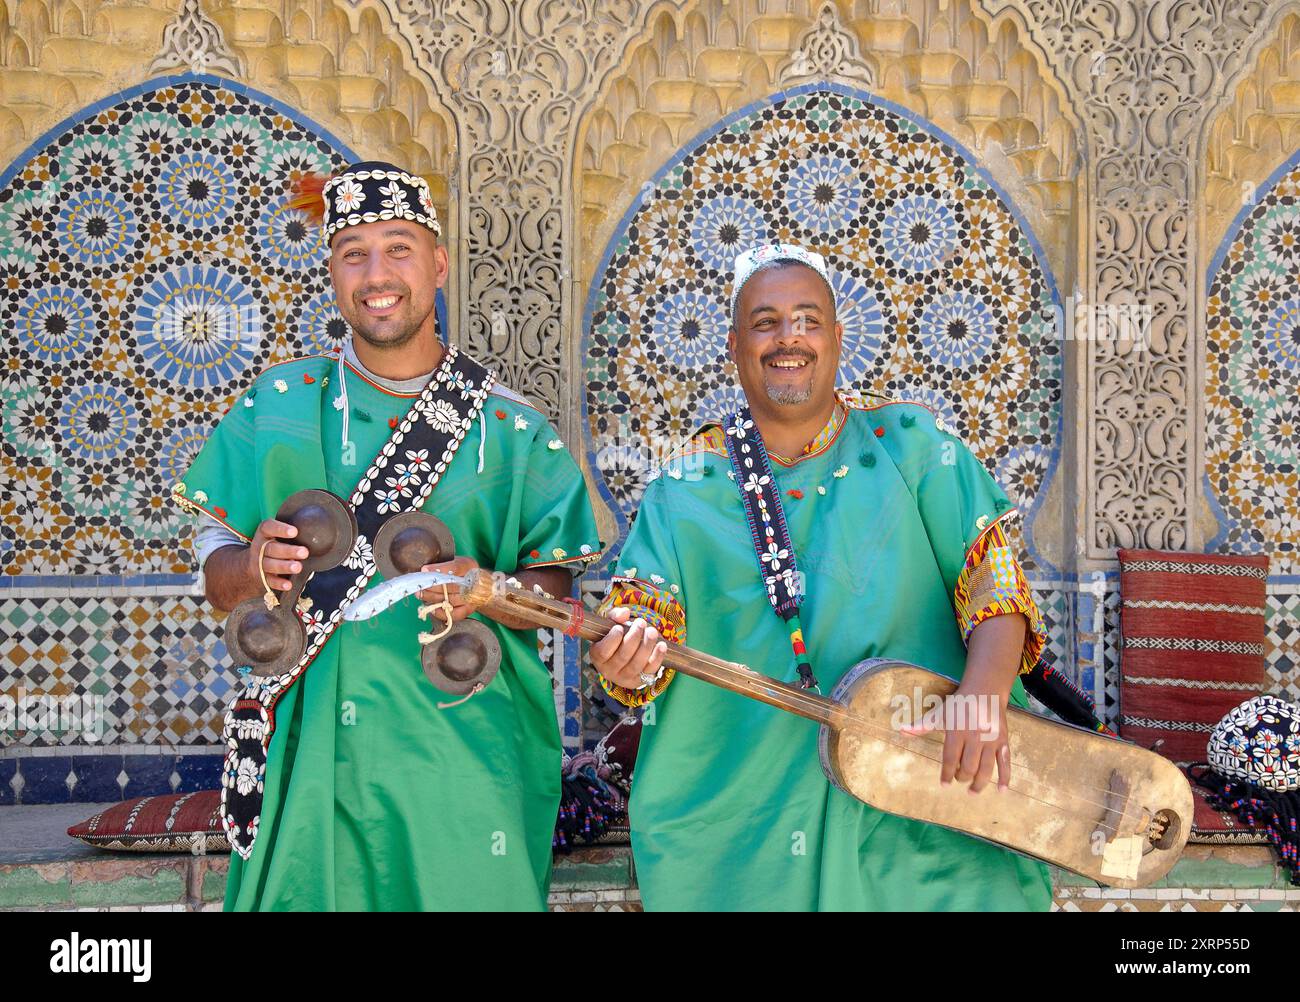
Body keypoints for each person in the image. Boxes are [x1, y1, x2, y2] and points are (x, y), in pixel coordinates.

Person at [173, 161, 603, 910]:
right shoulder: (279, 406)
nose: (378, 274)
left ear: (438, 264)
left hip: (460, 753)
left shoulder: (509, 430)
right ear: (333, 273)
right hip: (313, 762)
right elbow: (216, 578)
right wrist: (253, 565)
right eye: (354, 253)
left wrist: (486, 589)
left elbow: (555, 595)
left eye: (399, 248)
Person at [589, 243, 1055, 910]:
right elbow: (641, 637)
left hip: (917, 792)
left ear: (837, 338)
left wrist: (982, 698)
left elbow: (997, 590)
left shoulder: (914, 449)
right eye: (765, 322)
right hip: (747, 809)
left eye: (808, 320)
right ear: (734, 344)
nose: (789, 339)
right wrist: (628, 661)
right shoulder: (683, 488)